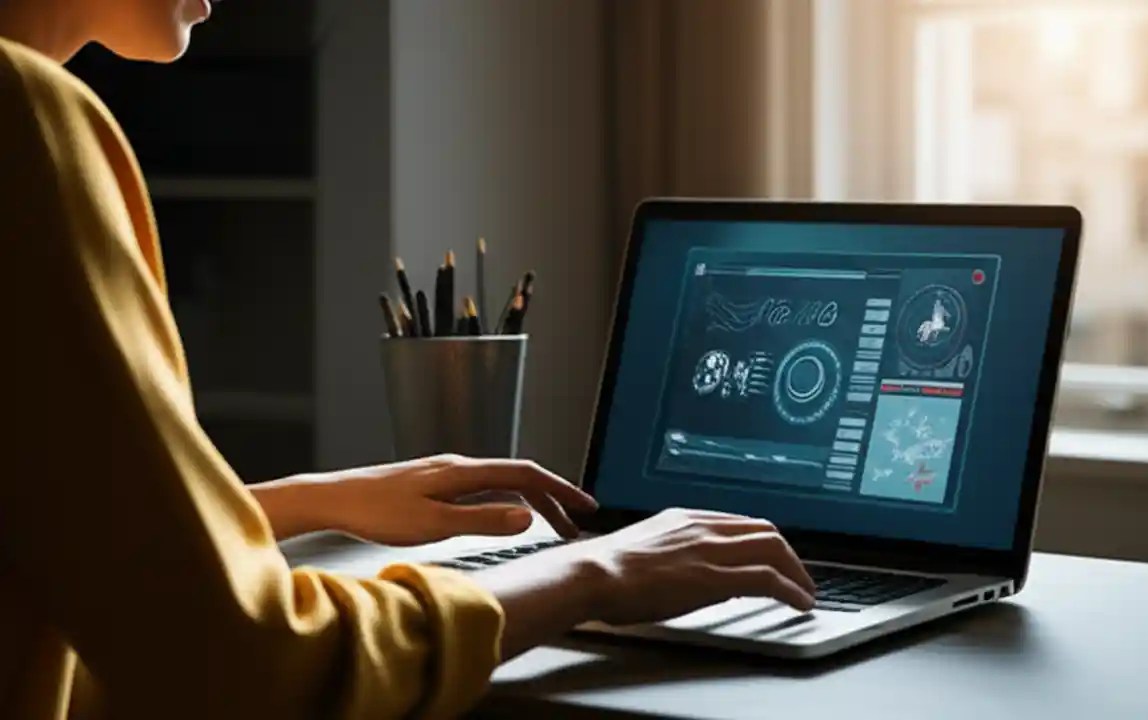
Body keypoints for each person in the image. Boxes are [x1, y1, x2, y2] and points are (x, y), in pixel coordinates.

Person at [0, 1, 817, 718]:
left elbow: (70, 549)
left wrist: (310, 500)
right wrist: (596, 570)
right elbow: (248, 667)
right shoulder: (25, 116)